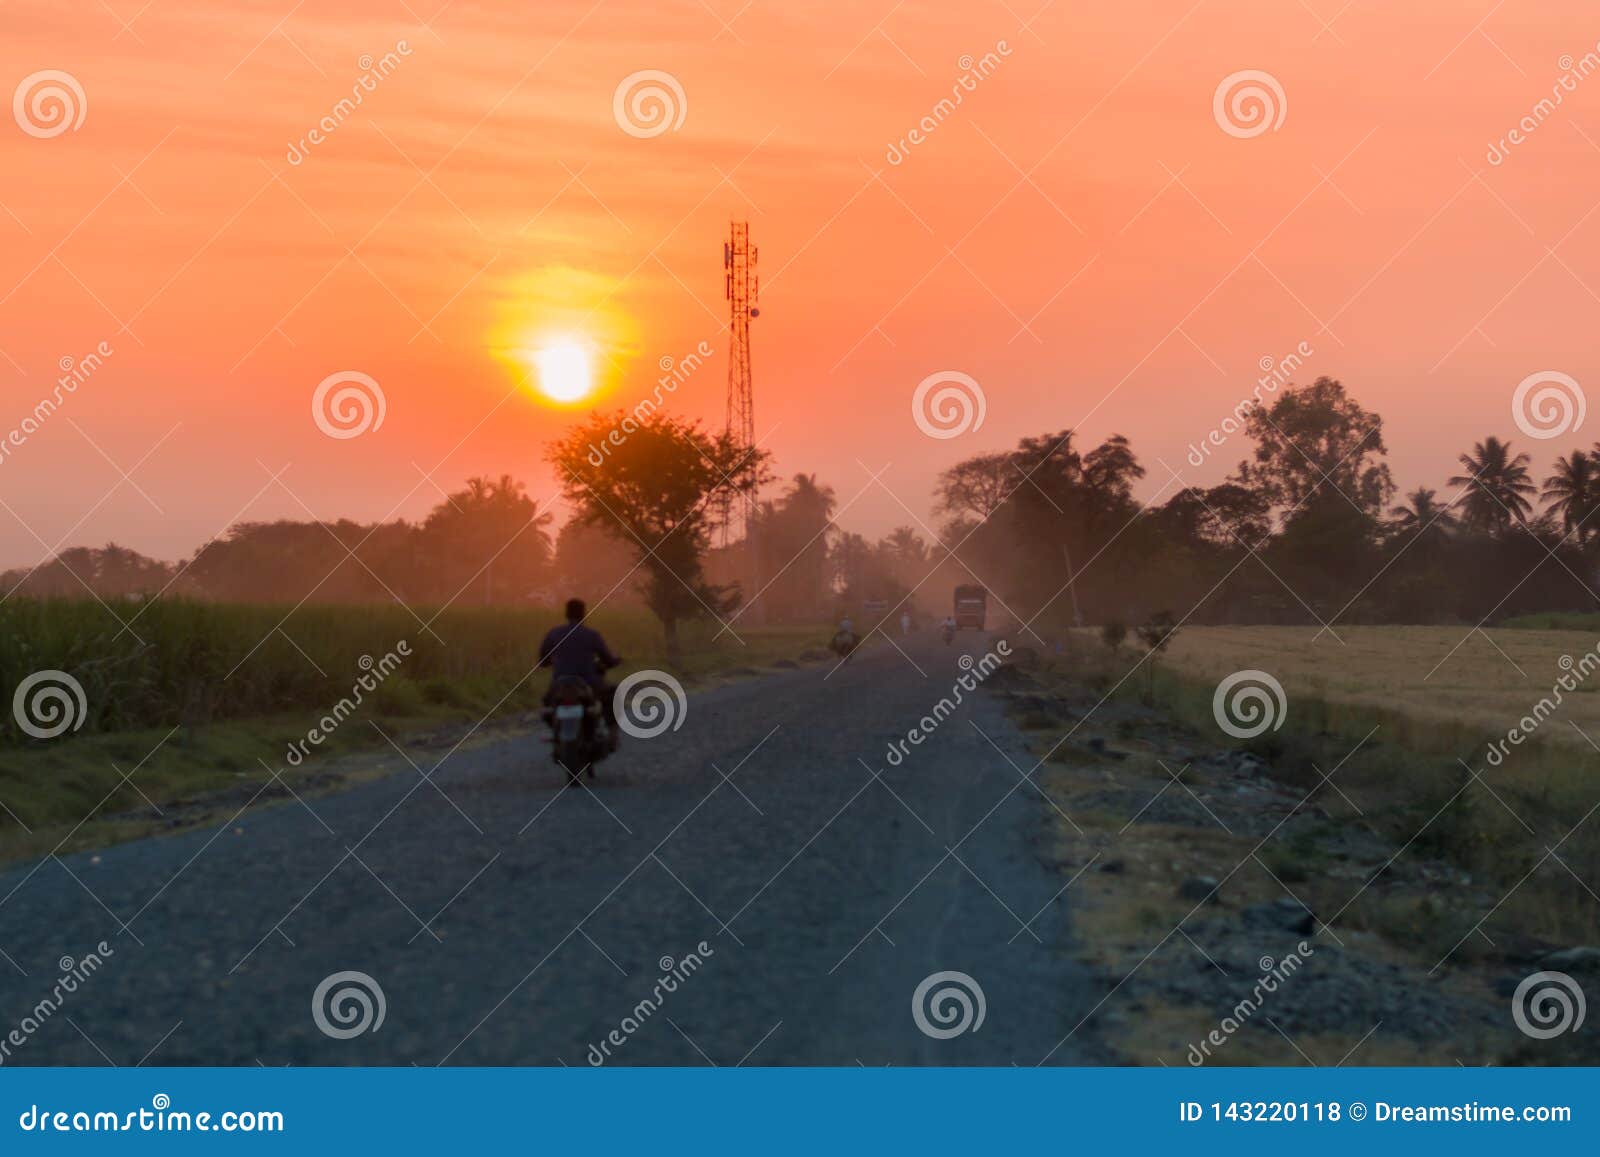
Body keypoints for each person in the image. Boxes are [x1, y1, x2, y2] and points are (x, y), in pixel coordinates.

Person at [539, 599, 622, 747]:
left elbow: (543, 661)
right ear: (584, 614)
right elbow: (608, 659)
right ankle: (613, 735)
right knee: (613, 694)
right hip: (588, 683)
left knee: (547, 704)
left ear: (566, 614)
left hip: (560, 684)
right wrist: (615, 661)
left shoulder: (554, 634)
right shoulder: (591, 635)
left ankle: (556, 732)